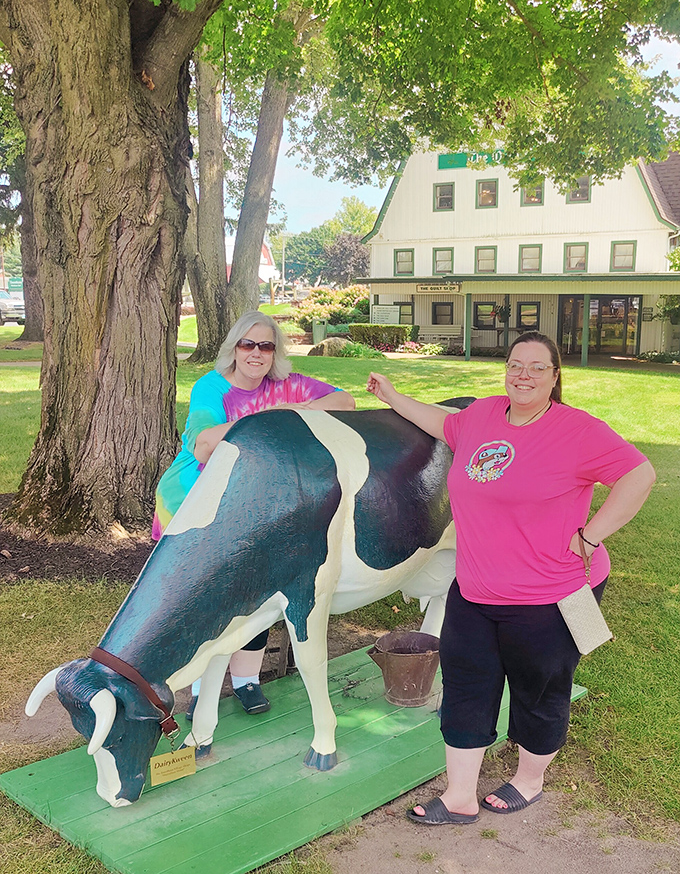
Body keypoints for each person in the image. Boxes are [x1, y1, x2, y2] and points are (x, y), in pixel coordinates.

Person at [366, 332, 655, 824]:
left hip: (549, 594)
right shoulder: (482, 415)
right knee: (465, 687)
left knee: (538, 690)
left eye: (537, 367)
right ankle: (460, 795)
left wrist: (591, 534)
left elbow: (639, 473)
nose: (523, 375)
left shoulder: (577, 430)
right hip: (475, 589)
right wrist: (393, 396)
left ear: (554, 375)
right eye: (515, 364)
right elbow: (443, 423)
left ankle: (529, 780)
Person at [154, 310, 355, 716]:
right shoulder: (212, 388)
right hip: (193, 504)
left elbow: (345, 401)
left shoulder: (286, 385)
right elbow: (206, 444)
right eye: (248, 344)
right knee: (199, 601)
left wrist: (298, 407)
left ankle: (246, 681)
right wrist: (271, 419)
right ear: (234, 349)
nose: (257, 353)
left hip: (251, 507)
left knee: (258, 594)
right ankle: (198, 690)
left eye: (266, 345)